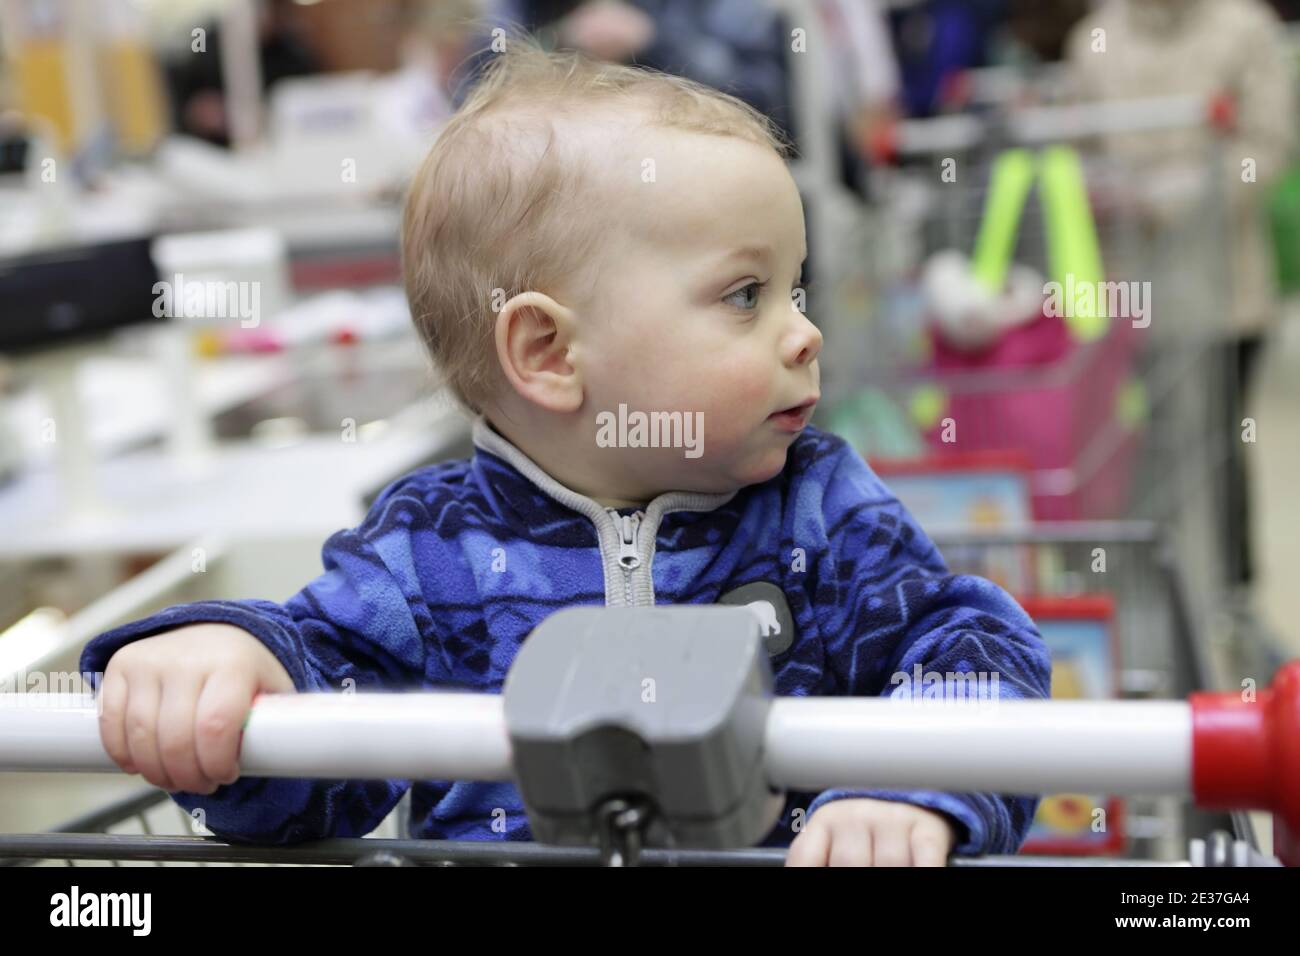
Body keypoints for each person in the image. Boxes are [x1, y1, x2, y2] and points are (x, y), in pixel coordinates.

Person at [81, 33, 1051, 867]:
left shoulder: (821, 512)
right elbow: (315, 771)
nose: (803, 333)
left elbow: (977, 647)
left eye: (794, 290)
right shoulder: (429, 553)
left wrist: (906, 789)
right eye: (744, 295)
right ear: (548, 352)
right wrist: (235, 660)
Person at [1065, 0, 1297, 587]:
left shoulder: (1246, 29)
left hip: (1227, 290)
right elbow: (1074, 150)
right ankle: (1155, 595)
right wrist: (1106, 193)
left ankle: (1232, 594)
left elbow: (1267, 146)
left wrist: (1179, 197)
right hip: (1128, 300)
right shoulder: (1095, 39)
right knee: (1141, 458)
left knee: (1221, 450)